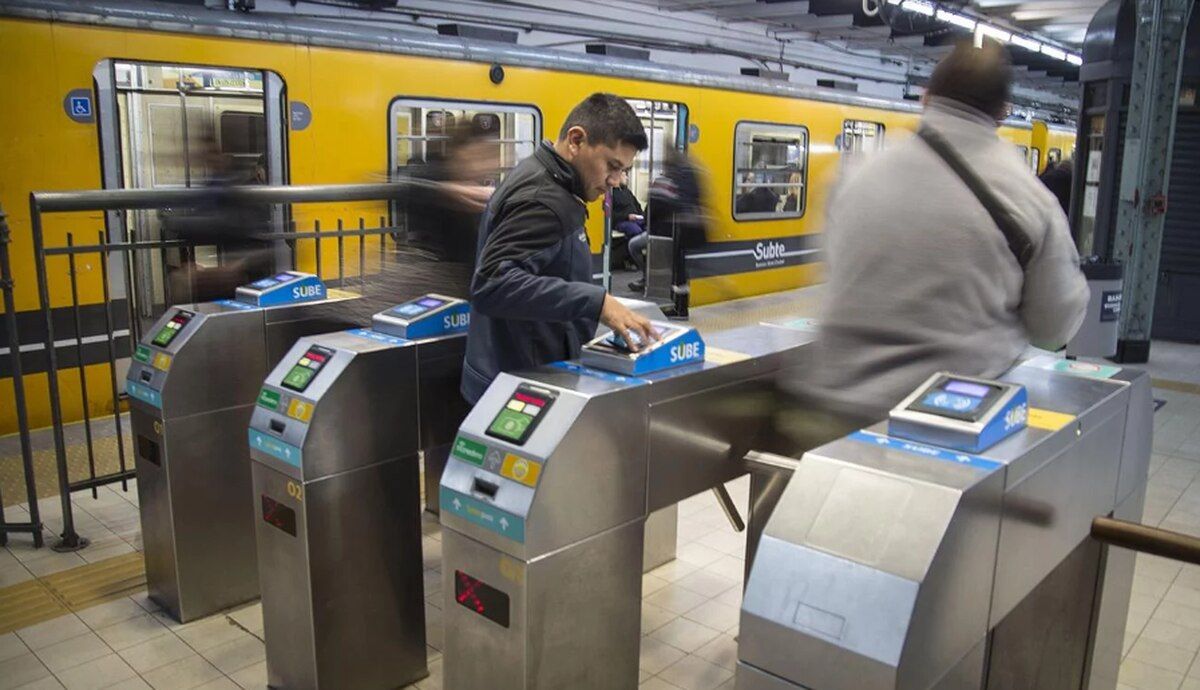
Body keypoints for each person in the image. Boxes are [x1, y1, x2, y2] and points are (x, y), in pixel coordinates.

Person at [775, 39, 1089, 445]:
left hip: (830, 413)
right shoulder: (1031, 198)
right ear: (1002, 112)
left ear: (926, 98)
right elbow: (1055, 326)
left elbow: (835, 275)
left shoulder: (854, 174)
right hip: (945, 430)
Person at [461, 93, 659, 404]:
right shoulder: (543, 199)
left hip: (510, 373)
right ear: (576, 140)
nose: (617, 181)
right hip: (516, 385)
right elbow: (492, 284)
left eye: (624, 171)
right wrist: (598, 303)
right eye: (612, 165)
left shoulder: (546, 179)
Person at [403, 119, 500, 296]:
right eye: (479, 156)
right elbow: (404, 185)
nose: (486, 165)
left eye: (489, 157)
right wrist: (445, 190)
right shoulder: (435, 174)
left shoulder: (484, 189)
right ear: (459, 153)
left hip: (471, 281)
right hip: (438, 281)